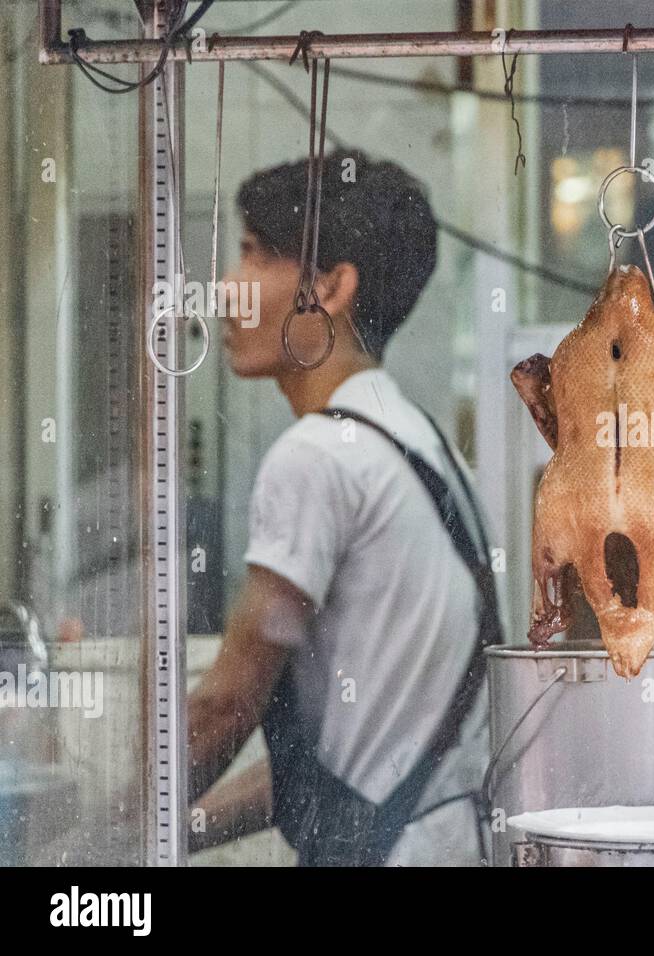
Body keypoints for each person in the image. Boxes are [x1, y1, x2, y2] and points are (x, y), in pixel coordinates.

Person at [186, 153, 498, 866]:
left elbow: (223, 705)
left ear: (329, 286)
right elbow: (350, 762)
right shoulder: (423, 447)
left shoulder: (317, 458)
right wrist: (182, 828)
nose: (225, 289)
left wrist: (105, 836)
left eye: (251, 254)